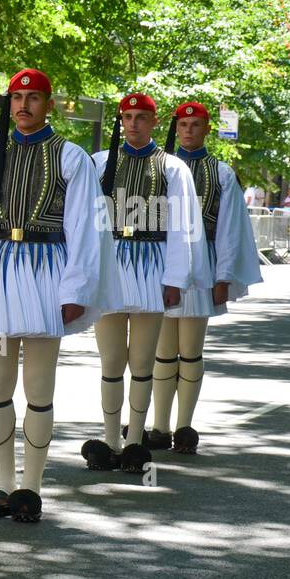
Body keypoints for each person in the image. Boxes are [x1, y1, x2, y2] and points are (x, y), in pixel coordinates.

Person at [0, 69, 119, 520]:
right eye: (17, 97)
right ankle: (3, 483)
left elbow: (86, 231)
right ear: (9, 104)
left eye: (33, 98)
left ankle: (32, 485)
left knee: (39, 387)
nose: (24, 105)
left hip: (45, 270)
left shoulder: (71, 158)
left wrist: (77, 289)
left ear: (50, 105)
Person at [82, 92, 206, 475]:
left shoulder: (172, 168)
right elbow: (85, 222)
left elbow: (184, 227)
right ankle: (110, 439)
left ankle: (134, 440)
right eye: (126, 117)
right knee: (111, 361)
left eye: (140, 117)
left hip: (151, 264)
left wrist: (175, 278)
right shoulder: (99, 162)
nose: (132, 123)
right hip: (112, 263)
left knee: (141, 362)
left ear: (154, 122)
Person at [148, 102, 263, 453]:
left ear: (206, 129)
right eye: (183, 124)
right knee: (163, 351)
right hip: (166, 263)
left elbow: (228, 230)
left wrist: (223, 276)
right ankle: (159, 426)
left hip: (204, 264)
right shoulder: (160, 169)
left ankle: (184, 426)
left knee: (190, 350)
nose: (187, 131)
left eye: (195, 125)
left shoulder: (221, 173)